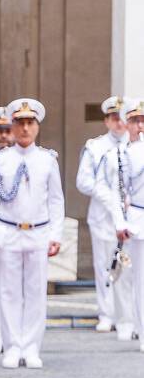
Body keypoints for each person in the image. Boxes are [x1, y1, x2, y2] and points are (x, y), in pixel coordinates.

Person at [0, 98, 63, 369]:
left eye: (30, 123)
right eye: (20, 123)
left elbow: (55, 200)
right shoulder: (0, 160)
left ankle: (31, 346)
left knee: (34, 291)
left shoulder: (47, 160)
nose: (25, 129)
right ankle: (12, 345)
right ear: (13, 126)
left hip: (38, 231)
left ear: (37, 127)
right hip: (9, 230)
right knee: (8, 292)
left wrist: (56, 234)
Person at [76, 96, 132, 334]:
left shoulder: (137, 145)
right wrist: (108, 196)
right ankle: (107, 314)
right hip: (103, 217)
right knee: (105, 266)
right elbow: (83, 181)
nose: (119, 123)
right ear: (107, 121)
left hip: (132, 216)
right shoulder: (95, 147)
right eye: (113, 118)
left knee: (129, 267)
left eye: (122, 118)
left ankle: (129, 316)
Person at [93, 98, 144, 351]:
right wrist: (119, 220)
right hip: (134, 221)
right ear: (127, 124)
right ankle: (132, 324)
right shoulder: (117, 155)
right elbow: (110, 190)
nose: (140, 125)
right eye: (135, 120)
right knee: (131, 277)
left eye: (143, 120)